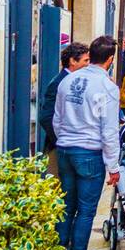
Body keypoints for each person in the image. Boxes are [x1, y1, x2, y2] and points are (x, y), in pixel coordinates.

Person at [52, 34, 121, 250]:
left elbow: (57, 119)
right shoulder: (107, 88)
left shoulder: (67, 82)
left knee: (67, 207)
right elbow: (109, 130)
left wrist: (66, 140)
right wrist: (113, 165)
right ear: (111, 59)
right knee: (86, 210)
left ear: (91, 55)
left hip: (65, 149)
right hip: (89, 152)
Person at [38, 42, 89, 179]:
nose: (87, 64)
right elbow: (46, 117)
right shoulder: (59, 82)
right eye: (85, 60)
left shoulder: (74, 81)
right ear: (72, 61)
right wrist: (62, 139)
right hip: (58, 147)